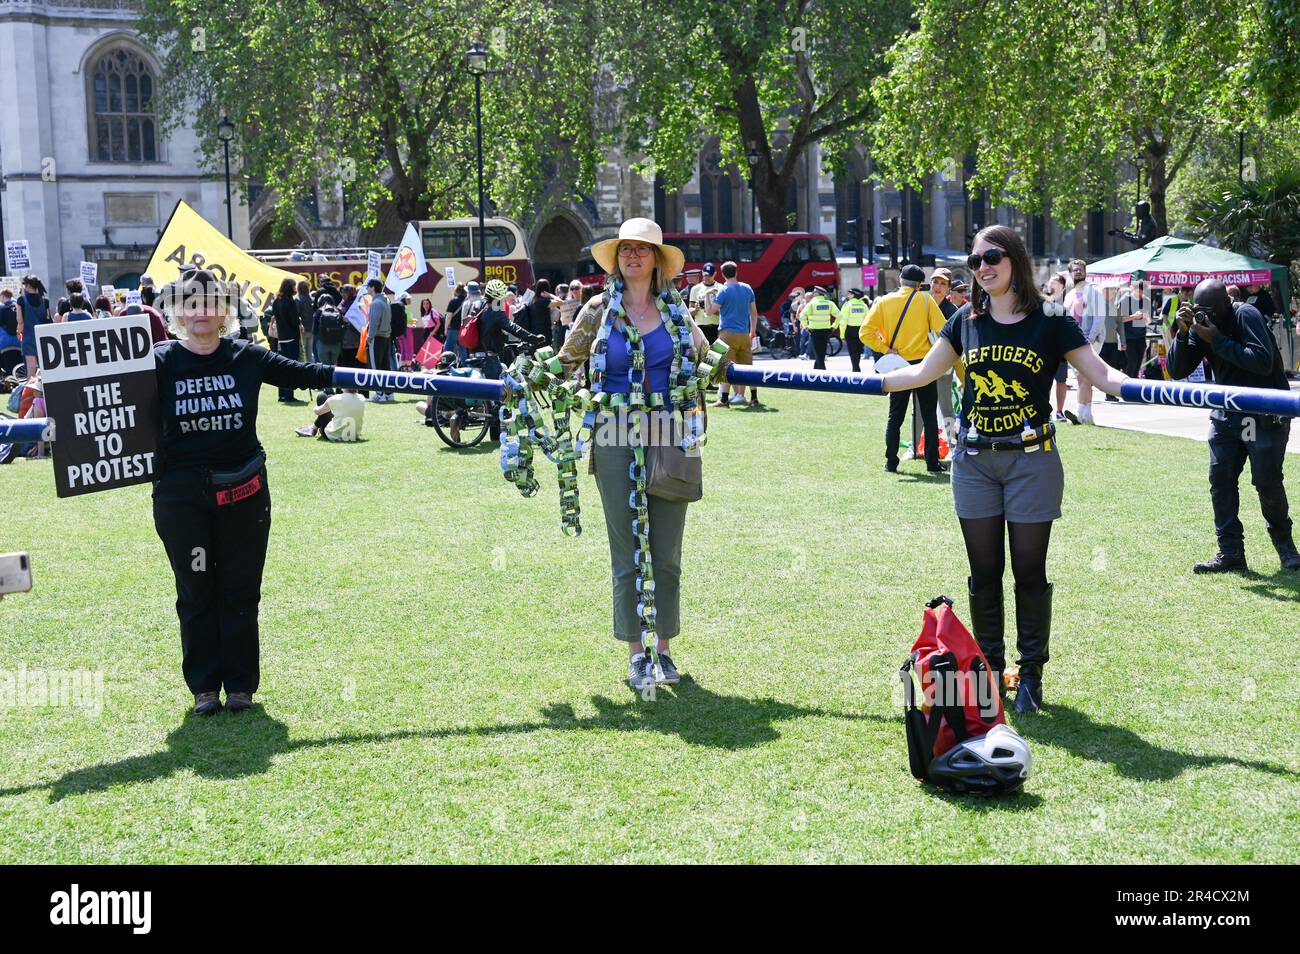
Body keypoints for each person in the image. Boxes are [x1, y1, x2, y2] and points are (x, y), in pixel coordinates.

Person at [878, 225, 1129, 712]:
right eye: (975, 261)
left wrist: (1150, 387)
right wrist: (877, 382)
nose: (983, 268)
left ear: (1015, 259)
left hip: (1032, 461)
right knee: (984, 571)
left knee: (1030, 573)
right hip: (973, 462)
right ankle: (990, 671)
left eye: (992, 257)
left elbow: (1099, 374)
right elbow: (921, 373)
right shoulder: (964, 321)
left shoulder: (1052, 319)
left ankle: (1031, 674)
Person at [152, 269, 336, 715]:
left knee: (239, 590)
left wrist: (355, 379)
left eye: (211, 302)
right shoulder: (159, 361)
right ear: (178, 312)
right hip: (182, 501)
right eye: (191, 304)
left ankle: (239, 686)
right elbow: (107, 401)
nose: (201, 312)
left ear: (226, 311)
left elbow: (306, 371)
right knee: (195, 590)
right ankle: (203, 689)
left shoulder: (247, 357)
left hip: (244, 494)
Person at [553, 217, 719, 690]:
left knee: (665, 552)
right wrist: (536, 383)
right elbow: (566, 363)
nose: (632, 256)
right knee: (627, 553)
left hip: (668, 433)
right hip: (612, 432)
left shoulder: (677, 312)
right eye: (625, 248)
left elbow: (707, 359)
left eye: (642, 250)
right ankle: (635, 654)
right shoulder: (596, 310)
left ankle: (663, 650)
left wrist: (715, 374)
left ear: (657, 260)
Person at [1167, 280, 1300, 574]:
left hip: (1262, 414)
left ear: (1226, 305)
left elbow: (1262, 362)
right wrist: (1183, 333)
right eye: (1201, 312)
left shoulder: (1245, 315)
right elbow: (1177, 370)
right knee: (1221, 480)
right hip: (1227, 414)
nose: (1206, 318)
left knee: (1266, 481)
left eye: (1210, 312)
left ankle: (1286, 547)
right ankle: (1230, 553)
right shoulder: (1203, 325)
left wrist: (1216, 339)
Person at [860, 264, 948, 473]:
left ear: (900, 280)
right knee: (928, 415)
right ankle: (932, 462)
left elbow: (865, 333)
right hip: (923, 364)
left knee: (895, 415)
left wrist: (886, 349)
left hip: (897, 364)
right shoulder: (926, 299)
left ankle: (891, 462)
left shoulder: (883, 301)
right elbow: (944, 330)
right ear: (919, 285)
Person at [708, 261, 758, 406]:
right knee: (748, 366)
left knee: (725, 365)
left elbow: (710, 311)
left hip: (726, 333)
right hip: (744, 333)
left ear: (722, 274)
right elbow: (754, 313)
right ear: (737, 272)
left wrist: (707, 296)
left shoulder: (723, 290)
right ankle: (752, 397)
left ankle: (723, 399)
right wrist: (752, 331)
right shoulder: (747, 288)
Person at [1064, 258, 1107, 423]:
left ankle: (1082, 413)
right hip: (1073, 342)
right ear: (1070, 273)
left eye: (1081, 269)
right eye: (1075, 269)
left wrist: (1090, 338)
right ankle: (1085, 415)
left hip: (1090, 340)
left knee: (1084, 375)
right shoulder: (1069, 296)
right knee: (1083, 378)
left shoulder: (1094, 291)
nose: (1079, 271)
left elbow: (1099, 316)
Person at [1045, 272, 1077, 422]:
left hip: (1060, 347)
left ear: (1062, 287)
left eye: (1055, 282)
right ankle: (1045, 410)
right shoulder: (1042, 301)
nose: (1051, 284)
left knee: (1061, 381)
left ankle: (1059, 411)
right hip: (1044, 346)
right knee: (1044, 381)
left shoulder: (1066, 302)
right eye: (1050, 281)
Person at [271, 278, 302, 402]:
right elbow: (294, 320)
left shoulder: (276, 301)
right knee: (292, 366)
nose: (295, 288)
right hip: (291, 337)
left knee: (282, 366)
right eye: (294, 286)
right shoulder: (290, 301)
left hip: (282, 337)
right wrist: (299, 322)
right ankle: (289, 395)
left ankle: (281, 394)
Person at [15, 275, 51, 380]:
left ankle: (30, 395)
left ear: (28, 285)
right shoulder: (45, 301)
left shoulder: (21, 300)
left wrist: (19, 333)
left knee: (31, 369)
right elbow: (49, 319)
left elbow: (20, 321)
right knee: (45, 368)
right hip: (44, 337)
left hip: (29, 336)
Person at [295, 387, 365, 441]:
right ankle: (313, 428)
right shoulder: (362, 398)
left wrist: (317, 406)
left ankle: (313, 428)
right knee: (329, 397)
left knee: (321, 396)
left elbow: (317, 411)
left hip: (334, 436)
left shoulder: (335, 399)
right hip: (354, 435)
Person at [797, 286, 841, 372]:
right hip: (826, 330)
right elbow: (839, 316)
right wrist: (834, 326)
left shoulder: (811, 304)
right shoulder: (829, 303)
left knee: (817, 352)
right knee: (822, 351)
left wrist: (806, 327)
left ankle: (821, 370)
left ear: (816, 294)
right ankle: (817, 370)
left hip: (814, 330)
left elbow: (802, 316)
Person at [364, 279, 393, 403]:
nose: (366, 289)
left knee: (375, 367)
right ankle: (389, 393)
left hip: (377, 338)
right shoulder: (386, 300)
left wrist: (369, 338)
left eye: (368, 287)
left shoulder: (375, 303)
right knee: (385, 366)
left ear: (372, 288)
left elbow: (374, 322)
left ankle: (379, 394)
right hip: (386, 337)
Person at [837, 288, 871, 372]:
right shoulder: (864, 305)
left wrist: (842, 334)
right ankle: (856, 367)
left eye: (850, 294)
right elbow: (868, 319)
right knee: (859, 350)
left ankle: (855, 368)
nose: (848, 295)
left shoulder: (847, 305)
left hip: (850, 330)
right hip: (860, 330)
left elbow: (843, 321)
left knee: (852, 351)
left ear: (854, 295)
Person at [688, 263, 722, 346]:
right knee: (702, 356)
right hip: (700, 327)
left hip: (716, 327)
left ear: (715, 274)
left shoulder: (721, 288)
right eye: (705, 275)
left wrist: (712, 310)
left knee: (717, 356)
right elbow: (689, 311)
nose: (706, 277)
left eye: (709, 275)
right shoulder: (695, 289)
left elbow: (725, 311)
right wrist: (695, 309)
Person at [296, 281, 315, 362]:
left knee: (302, 353)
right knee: (309, 352)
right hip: (312, 329)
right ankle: (312, 371)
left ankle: (304, 371)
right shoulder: (312, 299)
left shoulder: (298, 300)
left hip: (302, 330)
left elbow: (296, 315)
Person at [392, 292, 412, 369]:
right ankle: (408, 367)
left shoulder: (399, 307)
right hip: (406, 330)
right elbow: (407, 320)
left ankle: (404, 367)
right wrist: (412, 322)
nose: (410, 300)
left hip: (400, 331)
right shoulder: (405, 307)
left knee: (403, 349)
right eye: (408, 299)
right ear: (404, 299)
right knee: (408, 348)